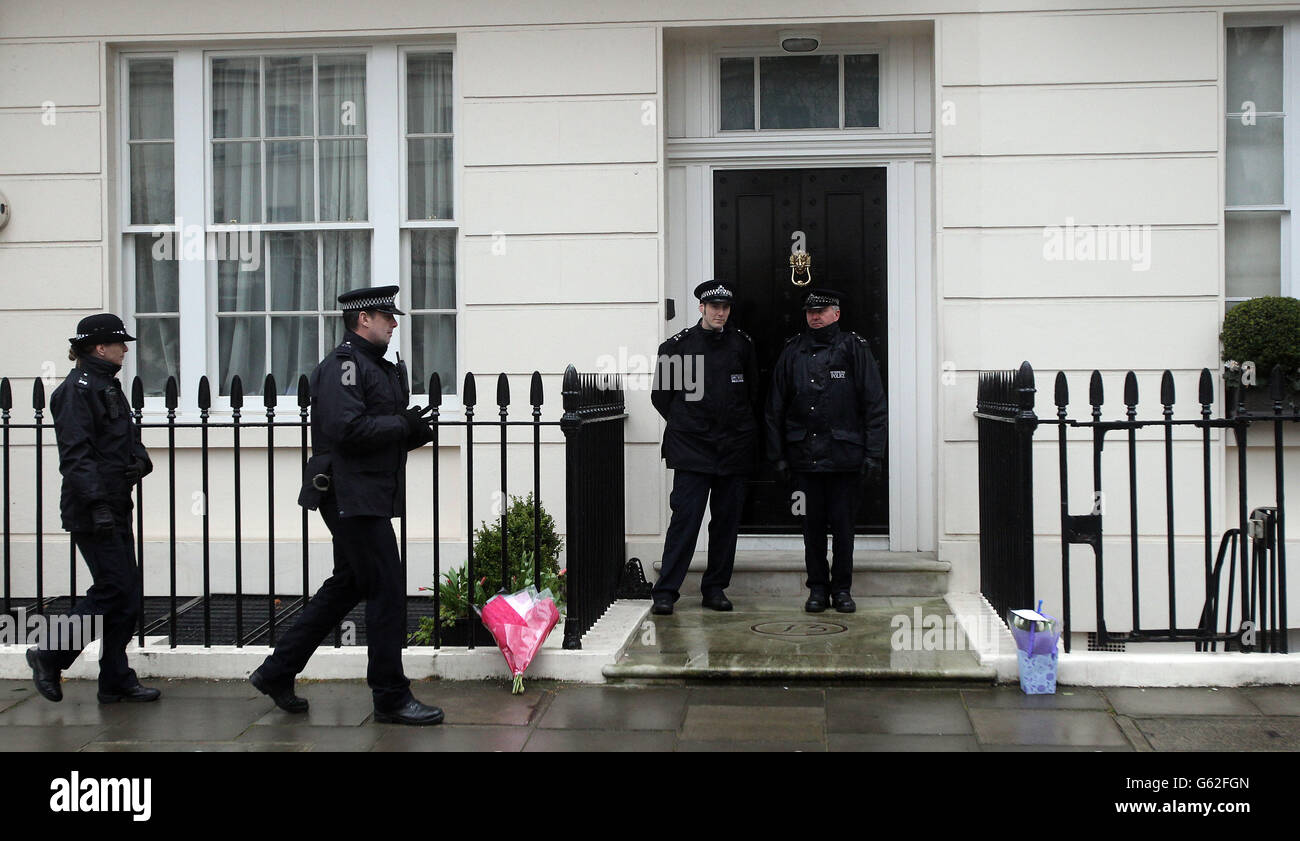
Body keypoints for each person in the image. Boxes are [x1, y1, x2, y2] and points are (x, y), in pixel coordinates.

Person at [248, 285, 443, 726]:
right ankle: (390, 696)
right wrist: (401, 424)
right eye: (386, 317)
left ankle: (277, 671)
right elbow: (347, 430)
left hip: (367, 494)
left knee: (350, 584)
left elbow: (375, 434)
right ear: (362, 320)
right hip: (349, 497)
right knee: (388, 590)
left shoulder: (378, 367)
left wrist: (413, 430)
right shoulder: (344, 367)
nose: (394, 324)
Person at [27, 314, 160, 703]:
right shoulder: (75, 391)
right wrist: (98, 505)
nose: (126, 348)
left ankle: (116, 679)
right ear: (99, 347)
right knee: (113, 589)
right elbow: (76, 457)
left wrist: (139, 460)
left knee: (127, 594)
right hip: (93, 509)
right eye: (120, 343)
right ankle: (49, 654)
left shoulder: (107, 386)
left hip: (116, 503)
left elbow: (124, 437)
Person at [765, 288, 886, 614]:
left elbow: (874, 404)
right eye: (810, 311)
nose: (815, 316)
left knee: (844, 529)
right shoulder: (792, 351)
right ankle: (817, 588)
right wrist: (777, 455)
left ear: (837, 313)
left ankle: (842, 589)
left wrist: (874, 454)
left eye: (822, 310)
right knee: (812, 528)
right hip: (804, 458)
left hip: (845, 458)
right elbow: (775, 406)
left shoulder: (854, 349)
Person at [649, 280, 759, 615]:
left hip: (733, 450)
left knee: (725, 523)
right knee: (686, 521)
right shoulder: (677, 347)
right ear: (701, 308)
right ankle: (666, 591)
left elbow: (753, 393)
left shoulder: (742, 345)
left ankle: (715, 588)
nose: (720, 313)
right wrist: (688, 423)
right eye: (714, 307)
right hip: (692, 450)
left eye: (725, 308)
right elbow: (661, 397)